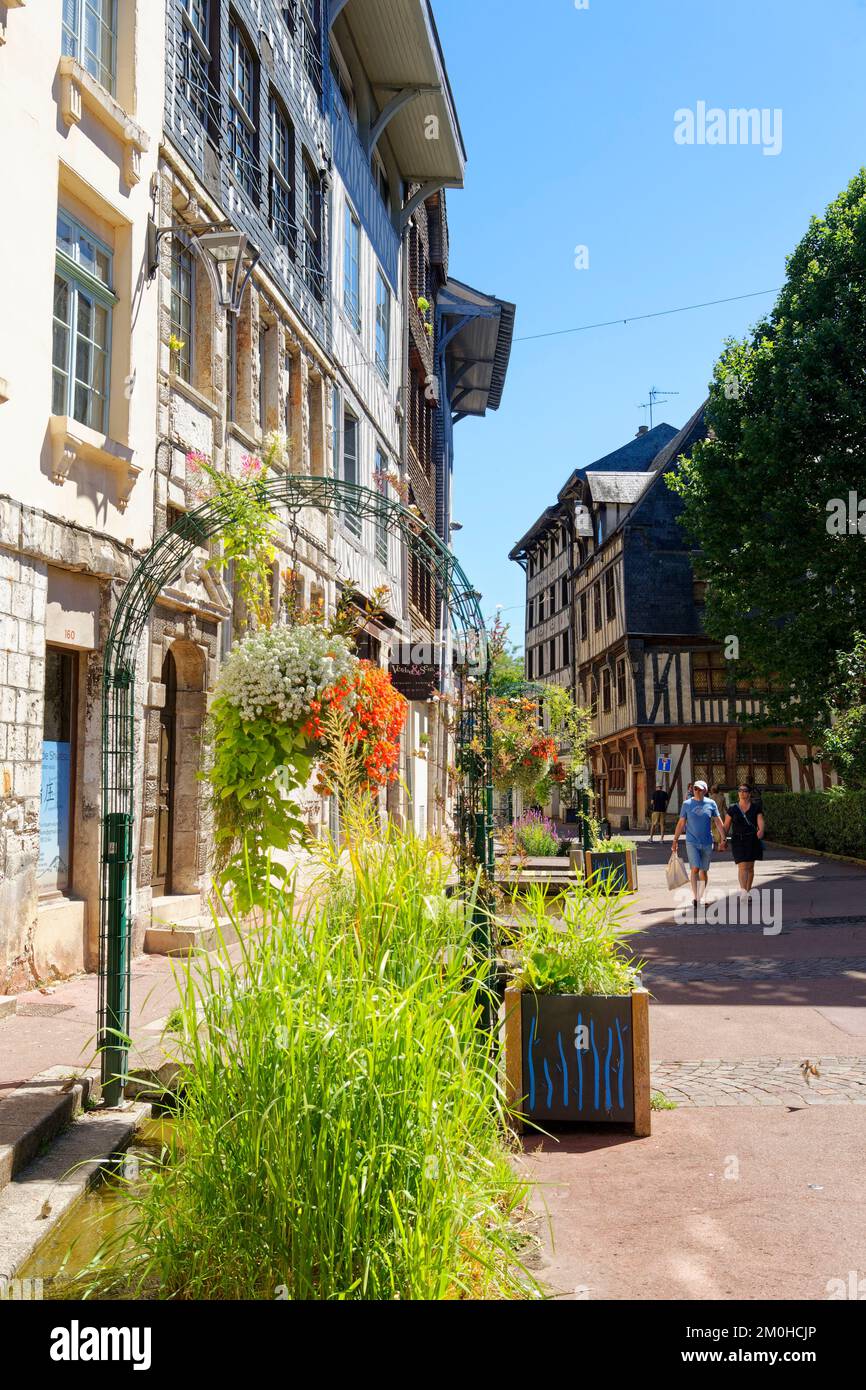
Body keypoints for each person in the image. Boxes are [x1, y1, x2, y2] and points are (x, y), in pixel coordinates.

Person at [671, 780, 727, 905]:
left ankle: (700, 895)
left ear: (705, 791)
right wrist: (675, 840)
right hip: (692, 842)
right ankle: (696, 897)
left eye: (700, 789)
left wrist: (723, 839)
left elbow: (718, 821)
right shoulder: (687, 804)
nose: (697, 791)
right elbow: (681, 823)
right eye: (695, 789)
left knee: (704, 871)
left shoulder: (711, 803)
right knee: (695, 868)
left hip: (707, 841)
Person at [724, 783, 765, 893]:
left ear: (749, 793)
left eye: (745, 790)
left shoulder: (756, 807)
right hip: (738, 840)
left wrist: (761, 830)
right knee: (742, 866)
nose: (742, 793)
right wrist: (723, 839)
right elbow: (726, 825)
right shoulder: (732, 808)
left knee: (750, 867)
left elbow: (760, 821)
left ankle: (748, 890)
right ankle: (743, 892)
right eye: (740, 790)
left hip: (752, 840)